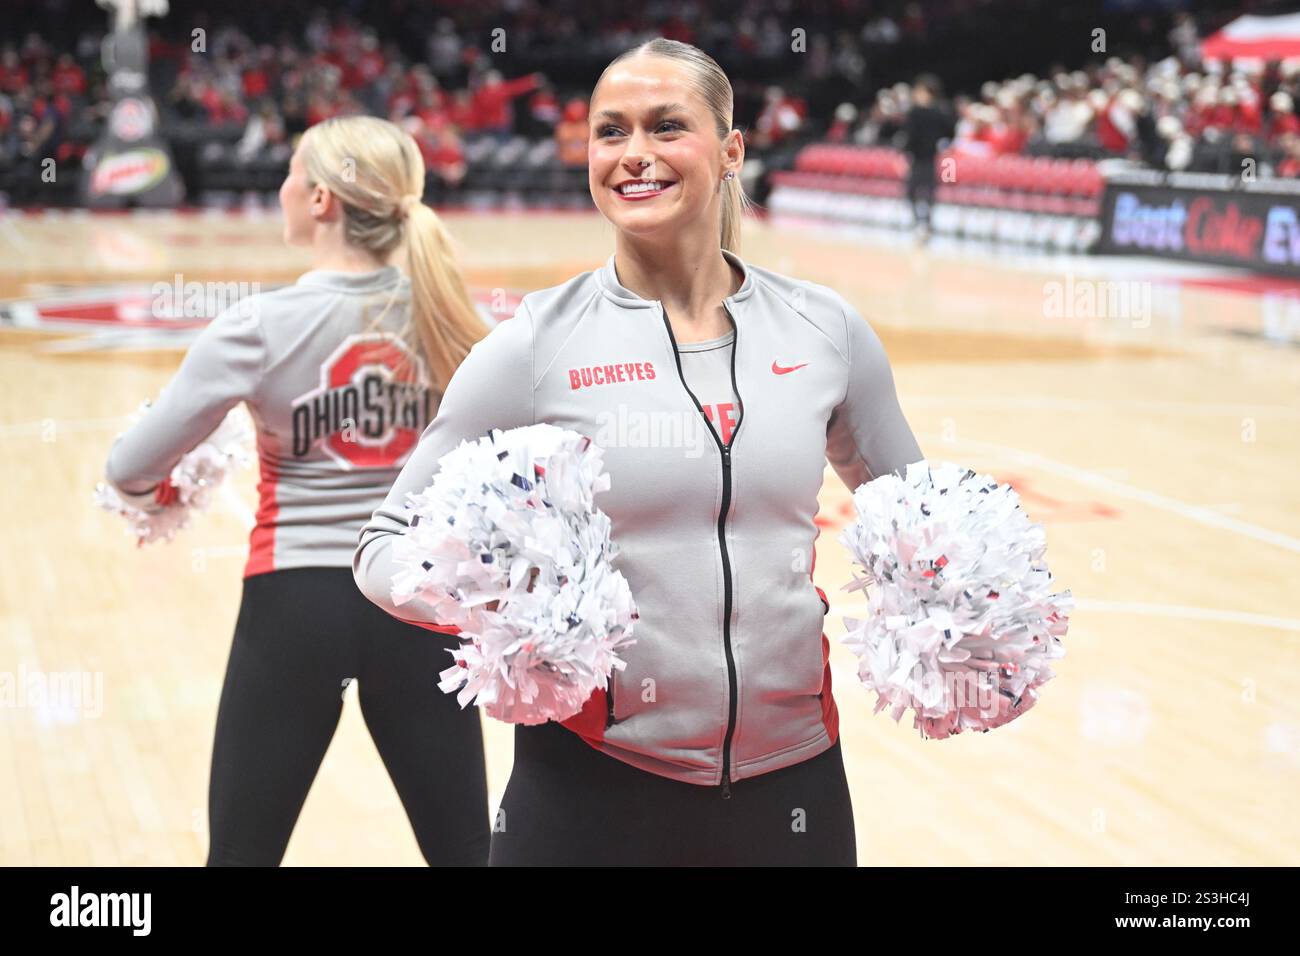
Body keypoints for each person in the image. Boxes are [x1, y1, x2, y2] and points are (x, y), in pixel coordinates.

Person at [353, 39, 924, 866]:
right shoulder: (535, 345)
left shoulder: (825, 330)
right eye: (610, 132)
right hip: (590, 793)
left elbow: (917, 518)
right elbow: (382, 546)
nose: (635, 156)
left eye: (666, 127)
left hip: (795, 785)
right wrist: (499, 605)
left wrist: (964, 611)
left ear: (731, 151)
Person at [102, 116, 494, 866]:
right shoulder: (452, 319)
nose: (279, 188)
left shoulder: (257, 326)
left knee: (243, 855)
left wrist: (168, 488)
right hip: (418, 601)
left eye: (288, 174)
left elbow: (129, 468)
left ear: (320, 202)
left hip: (293, 605)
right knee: (466, 854)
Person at [900, 73, 954, 240]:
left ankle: (924, 222)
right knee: (916, 191)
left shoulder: (931, 112)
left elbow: (948, 133)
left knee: (924, 191)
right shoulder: (923, 112)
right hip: (921, 157)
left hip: (929, 158)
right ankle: (921, 221)